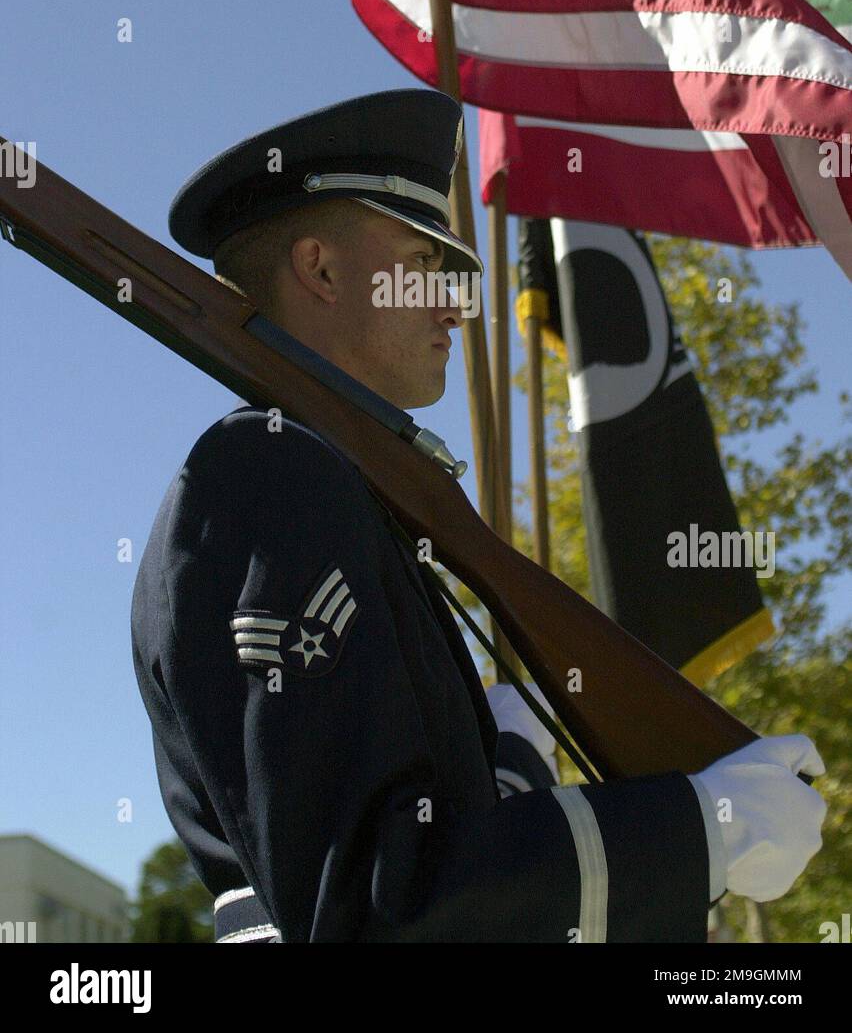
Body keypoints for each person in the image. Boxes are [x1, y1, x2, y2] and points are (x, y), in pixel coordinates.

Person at [130, 87, 827, 942]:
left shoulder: (319, 481)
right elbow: (379, 908)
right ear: (319, 268)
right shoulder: (274, 469)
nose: (456, 305)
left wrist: (504, 775)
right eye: (427, 262)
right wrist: (698, 829)